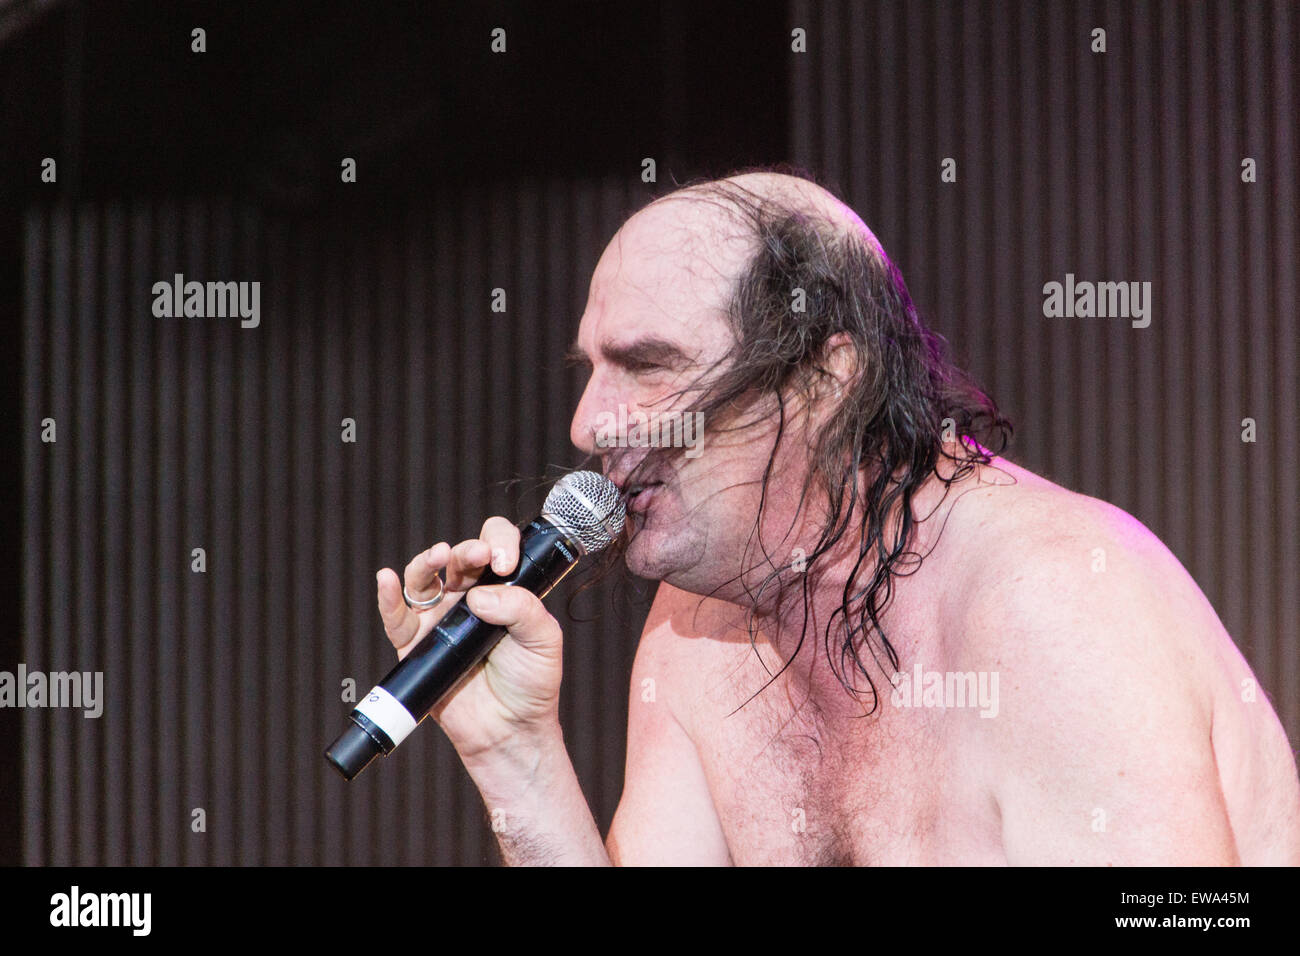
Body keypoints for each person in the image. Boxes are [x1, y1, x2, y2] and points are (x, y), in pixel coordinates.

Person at [376, 170, 1300, 865]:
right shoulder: (697, 630)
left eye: (648, 364)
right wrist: (515, 755)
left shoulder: (1051, 603)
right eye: (590, 372)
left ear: (824, 378)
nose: (587, 423)